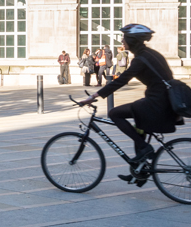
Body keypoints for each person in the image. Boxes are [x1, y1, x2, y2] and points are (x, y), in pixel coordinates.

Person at [78, 24, 182, 180]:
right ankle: (140, 171)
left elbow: (121, 80)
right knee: (139, 129)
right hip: (163, 100)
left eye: (124, 39)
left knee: (115, 113)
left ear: (132, 41)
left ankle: (144, 149)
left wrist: (94, 96)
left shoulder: (140, 59)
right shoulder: (151, 54)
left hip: (157, 102)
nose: (122, 42)